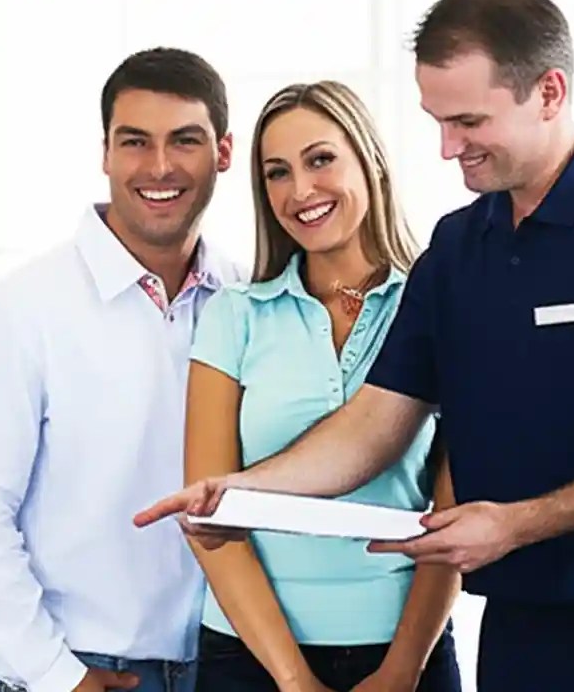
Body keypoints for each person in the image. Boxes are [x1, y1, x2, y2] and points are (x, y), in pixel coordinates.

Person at [135, 0, 574, 692]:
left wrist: (519, 524)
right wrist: (235, 493)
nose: (449, 147)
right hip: (515, 635)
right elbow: (374, 426)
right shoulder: (458, 250)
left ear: (549, 93)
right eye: (438, 121)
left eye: (468, 121)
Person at [0, 46, 243, 692]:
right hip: (71, 673)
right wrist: (57, 677)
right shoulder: (22, 312)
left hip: (226, 669)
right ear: (105, 153)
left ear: (222, 151)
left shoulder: (248, 299)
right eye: (135, 141)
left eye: (184, 141)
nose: (159, 166)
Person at [182, 80, 462, 692]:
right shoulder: (235, 316)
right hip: (249, 658)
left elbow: (452, 513)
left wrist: (402, 669)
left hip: (406, 651)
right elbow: (212, 516)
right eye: (277, 173)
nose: (300, 190)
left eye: (320, 159)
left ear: (370, 160)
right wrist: (293, 680)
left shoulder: (439, 305)